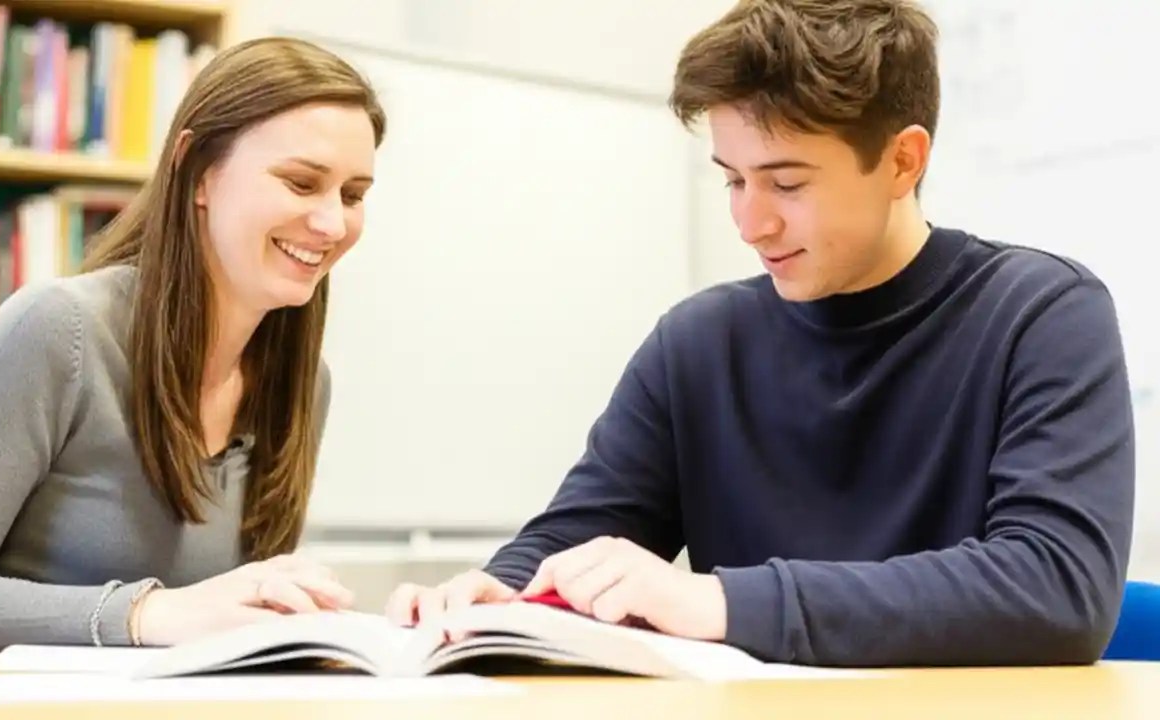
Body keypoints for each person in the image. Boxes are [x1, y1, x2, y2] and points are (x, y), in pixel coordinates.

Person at [386, 0, 1135, 667]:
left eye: (787, 183)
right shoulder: (698, 343)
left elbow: (1057, 589)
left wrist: (720, 602)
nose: (750, 223)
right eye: (733, 179)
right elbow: (574, 542)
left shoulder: (1041, 313)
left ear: (902, 161)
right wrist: (499, 594)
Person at [0, 37, 385, 666]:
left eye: (352, 195)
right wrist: (151, 613)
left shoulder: (304, 383)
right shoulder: (58, 331)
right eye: (301, 183)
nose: (333, 224)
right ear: (197, 170)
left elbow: (224, 625)